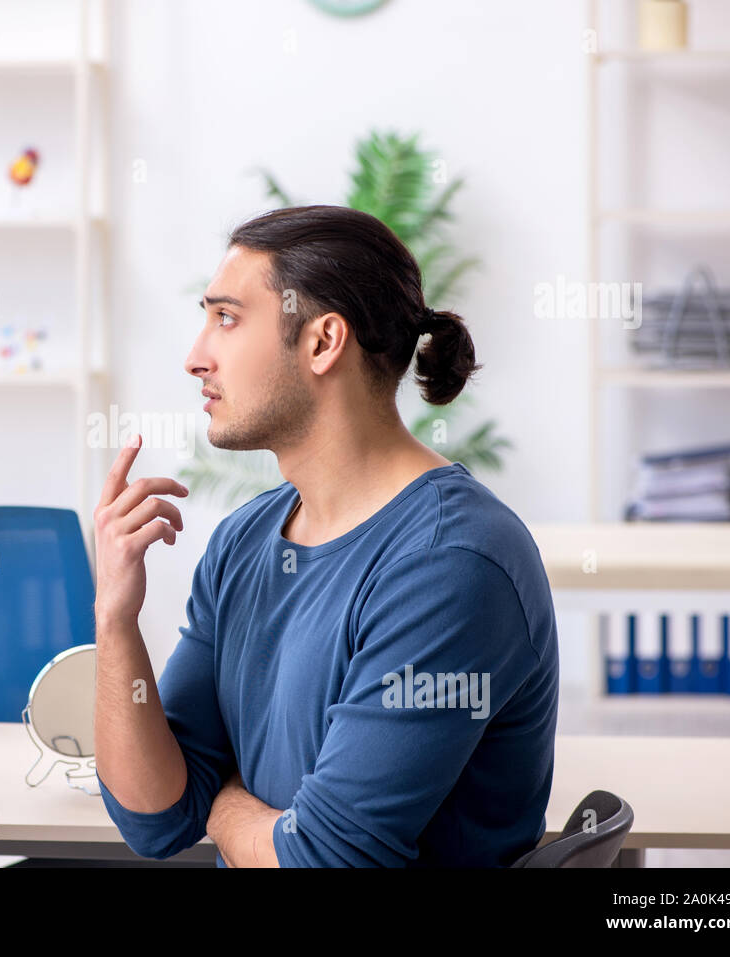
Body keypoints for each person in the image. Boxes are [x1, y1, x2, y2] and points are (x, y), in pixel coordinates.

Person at [92, 205, 559, 867]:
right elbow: (158, 817)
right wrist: (115, 619)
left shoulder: (452, 564)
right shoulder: (244, 541)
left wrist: (221, 804)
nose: (196, 357)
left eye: (226, 317)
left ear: (322, 342)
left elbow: (325, 859)